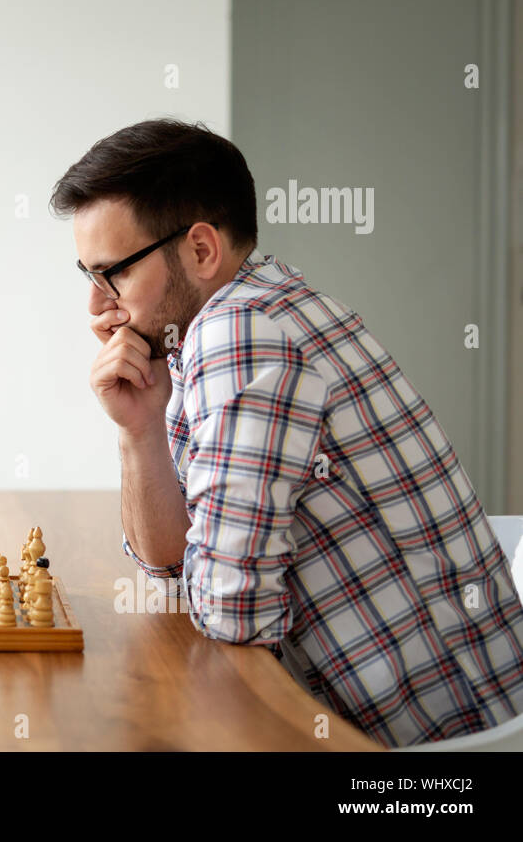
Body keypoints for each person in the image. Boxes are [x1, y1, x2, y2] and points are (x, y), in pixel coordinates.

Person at [52, 118, 523, 748]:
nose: (96, 306)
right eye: (88, 276)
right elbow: (173, 562)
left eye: (112, 273)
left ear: (200, 250)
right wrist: (140, 431)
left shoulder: (241, 334)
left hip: (429, 760)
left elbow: (231, 614)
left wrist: (204, 570)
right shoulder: (259, 309)